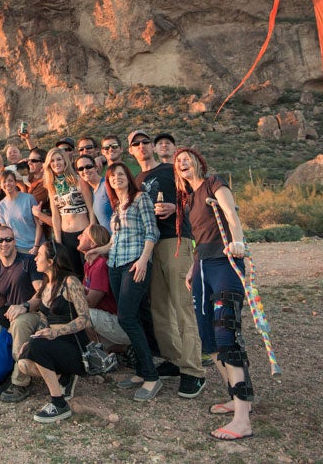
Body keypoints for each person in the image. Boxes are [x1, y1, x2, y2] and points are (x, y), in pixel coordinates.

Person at [174, 147, 255, 441]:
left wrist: (238, 242)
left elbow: (230, 213)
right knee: (209, 340)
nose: (182, 161)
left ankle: (242, 419)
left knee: (226, 335)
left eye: (187, 157)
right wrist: (193, 268)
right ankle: (237, 396)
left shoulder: (213, 183)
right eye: (177, 160)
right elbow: (201, 238)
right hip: (204, 267)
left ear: (198, 162)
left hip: (225, 263)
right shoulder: (188, 200)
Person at [129, 129, 207, 398]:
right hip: (150, 247)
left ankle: (194, 370)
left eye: (144, 142)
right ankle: (175, 360)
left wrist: (177, 209)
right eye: (135, 144)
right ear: (131, 151)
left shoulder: (169, 170)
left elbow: (193, 196)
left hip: (176, 241)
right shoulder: (136, 180)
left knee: (184, 306)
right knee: (161, 310)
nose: (141, 147)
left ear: (152, 147)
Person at [102, 161, 161, 401]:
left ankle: (151, 377)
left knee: (127, 318)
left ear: (128, 176)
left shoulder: (141, 199)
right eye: (112, 175)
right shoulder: (117, 207)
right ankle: (141, 370)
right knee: (134, 316)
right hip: (115, 265)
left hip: (134, 264)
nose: (116, 178)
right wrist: (99, 250)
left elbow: (152, 232)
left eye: (120, 174)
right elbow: (116, 240)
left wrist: (144, 260)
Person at [16, 242, 92, 423]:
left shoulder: (70, 282)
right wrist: (34, 338)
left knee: (37, 348)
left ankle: (59, 404)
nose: (35, 258)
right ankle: (65, 377)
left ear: (51, 261)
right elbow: (44, 319)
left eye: (39, 255)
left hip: (75, 347)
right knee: (24, 364)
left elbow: (85, 319)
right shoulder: (45, 284)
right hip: (54, 345)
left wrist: (57, 333)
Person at [0, 225, 44, 404]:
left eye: (8, 239)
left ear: (14, 241)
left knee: (19, 323)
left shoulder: (28, 262)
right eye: (0, 240)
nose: (4, 243)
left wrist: (25, 305)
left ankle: (21, 382)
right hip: (11, 314)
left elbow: (42, 293)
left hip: (35, 314)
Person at [76, 224, 130, 351]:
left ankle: (100, 355)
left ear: (93, 244)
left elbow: (91, 301)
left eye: (83, 234)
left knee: (85, 313)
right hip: (105, 322)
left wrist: (72, 291)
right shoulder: (88, 264)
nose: (78, 237)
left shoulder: (100, 264)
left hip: (118, 324)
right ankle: (118, 349)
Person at [42, 147, 93, 277]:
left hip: (83, 233)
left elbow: (91, 209)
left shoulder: (78, 180)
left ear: (65, 161)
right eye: (52, 161)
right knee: (74, 273)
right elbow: (56, 216)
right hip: (65, 236)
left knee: (89, 271)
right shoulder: (52, 186)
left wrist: (90, 232)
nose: (56, 163)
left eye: (59, 159)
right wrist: (58, 241)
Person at [0, 170, 39, 254]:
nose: (7, 184)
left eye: (10, 180)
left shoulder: (29, 199)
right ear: (0, 185)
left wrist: (36, 246)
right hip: (16, 248)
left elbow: (38, 225)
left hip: (34, 245)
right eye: (4, 181)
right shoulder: (1, 206)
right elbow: (5, 232)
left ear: (16, 183)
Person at [76, 154, 113, 229]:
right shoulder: (91, 191)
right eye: (81, 169)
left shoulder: (107, 185)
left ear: (96, 167)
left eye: (88, 167)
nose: (85, 171)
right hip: (107, 239)